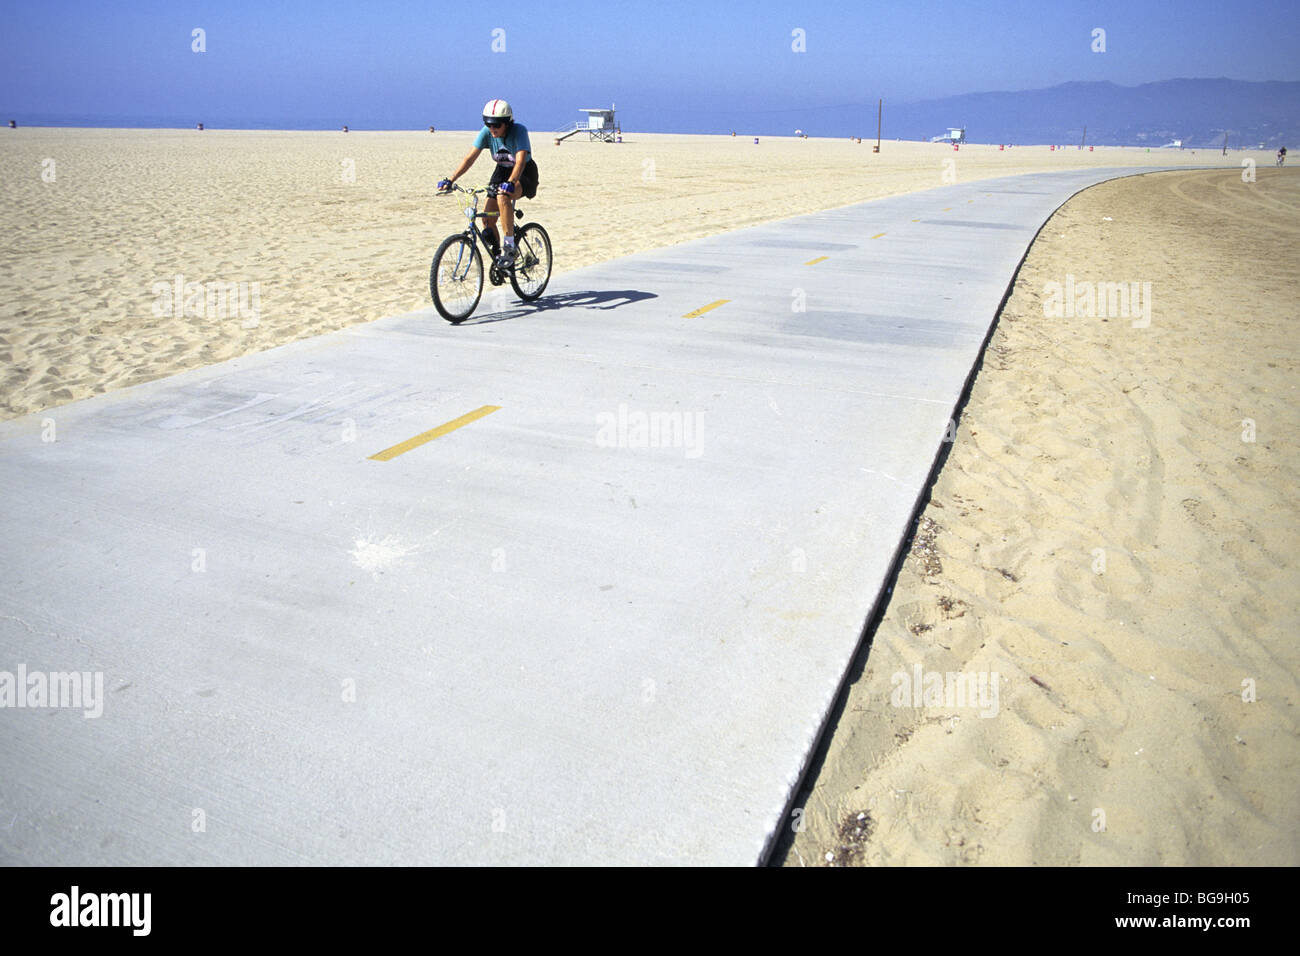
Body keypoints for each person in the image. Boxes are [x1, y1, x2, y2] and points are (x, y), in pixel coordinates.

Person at [437, 99, 538, 268]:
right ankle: (499, 258)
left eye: (497, 125)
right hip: (502, 172)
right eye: (488, 124)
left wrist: (511, 182)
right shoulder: (487, 133)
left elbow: (520, 161)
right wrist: (451, 179)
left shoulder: (519, 131)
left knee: (503, 196)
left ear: (507, 123)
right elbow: (469, 158)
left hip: (524, 172)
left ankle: (509, 246)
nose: (492, 129)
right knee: (487, 221)